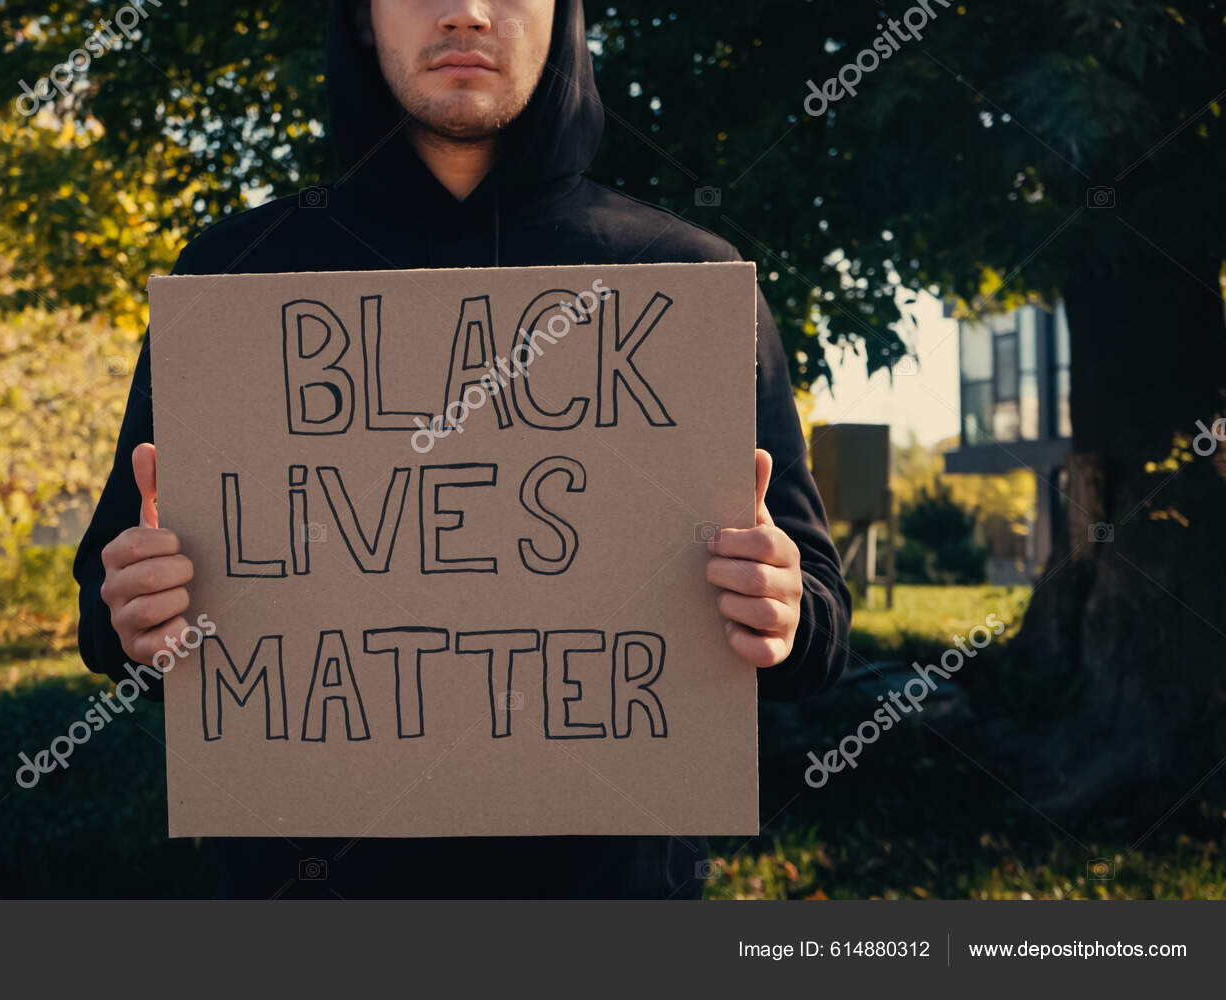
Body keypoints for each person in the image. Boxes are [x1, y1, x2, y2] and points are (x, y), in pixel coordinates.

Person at [74, 0, 850, 898]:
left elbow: (818, 629)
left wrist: (781, 606)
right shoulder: (231, 280)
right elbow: (110, 612)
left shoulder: (682, 284)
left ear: (562, 17)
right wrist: (135, 613)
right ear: (362, 18)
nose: (467, 12)